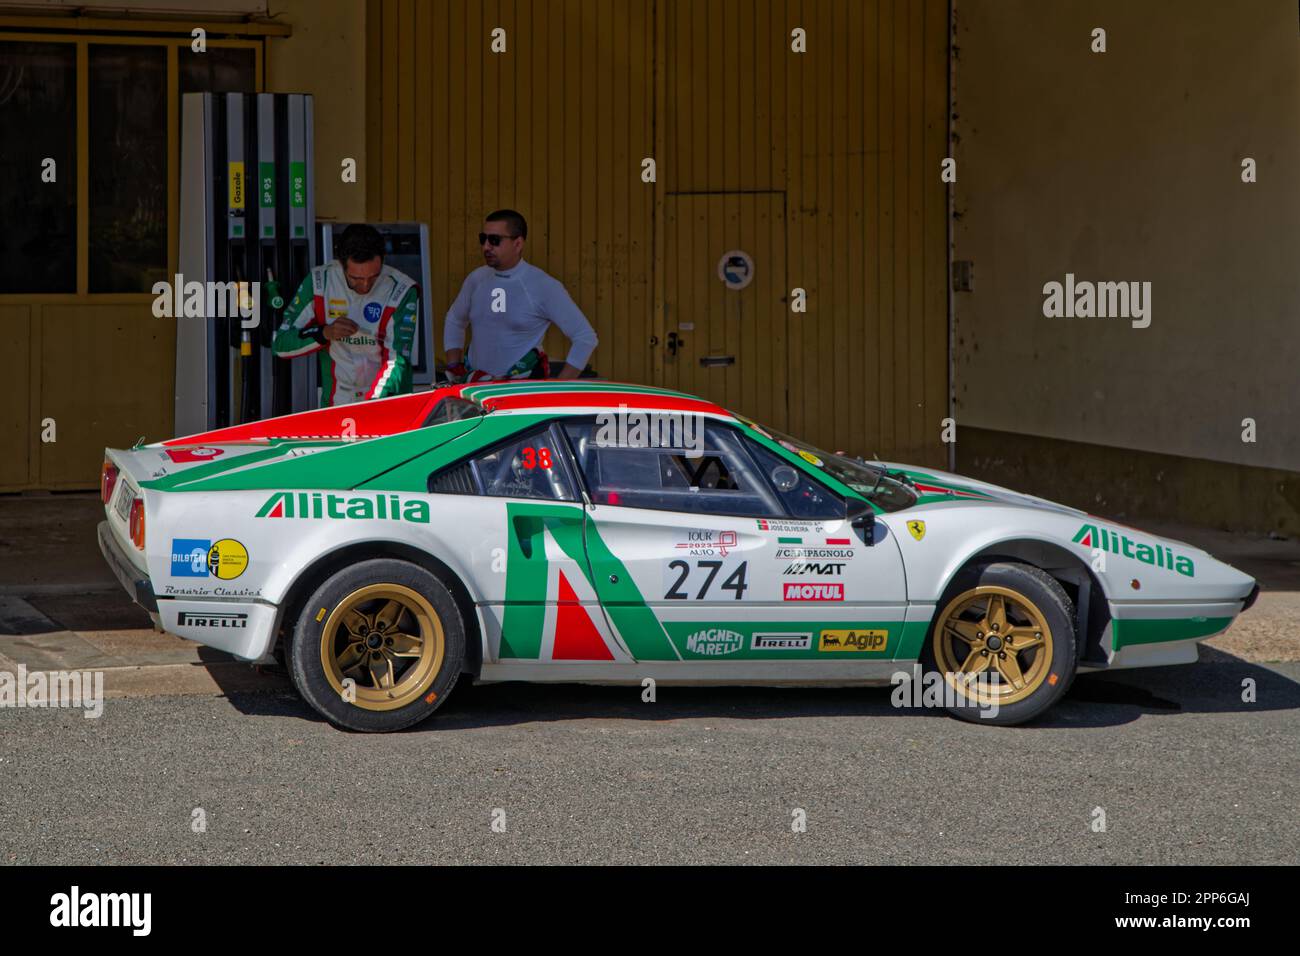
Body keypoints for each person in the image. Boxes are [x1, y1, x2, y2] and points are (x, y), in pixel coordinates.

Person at [443, 209, 597, 382]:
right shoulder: (476, 279)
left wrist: (559, 387)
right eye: (483, 239)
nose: (486, 246)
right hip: (475, 390)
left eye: (495, 240)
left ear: (518, 244)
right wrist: (454, 367)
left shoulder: (543, 285)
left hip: (520, 395)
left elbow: (585, 337)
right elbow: (455, 319)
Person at [273, 224, 419, 406]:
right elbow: (281, 345)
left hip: (386, 404)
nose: (365, 286)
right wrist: (325, 333)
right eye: (356, 278)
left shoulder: (402, 290)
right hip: (337, 403)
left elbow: (397, 360)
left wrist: (373, 404)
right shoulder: (320, 283)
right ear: (341, 264)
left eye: (374, 276)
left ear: (383, 260)